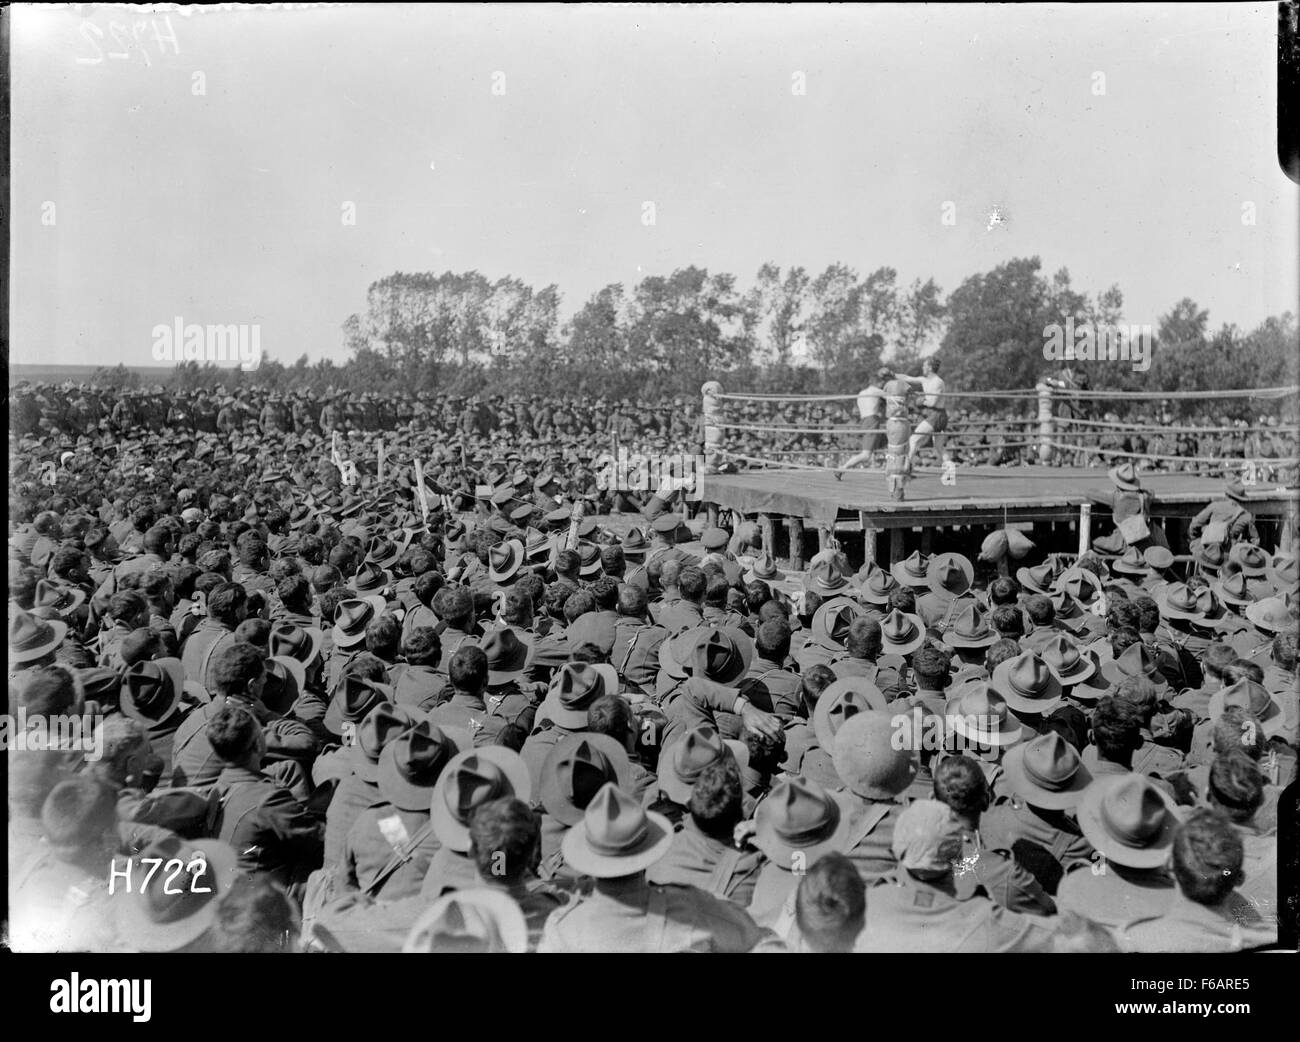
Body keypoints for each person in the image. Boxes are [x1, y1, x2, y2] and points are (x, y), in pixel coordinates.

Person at [538, 783, 779, 952]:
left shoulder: (563, 928)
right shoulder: (691, 908)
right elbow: (766, 943)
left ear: (588, 856)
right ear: (647, 848)